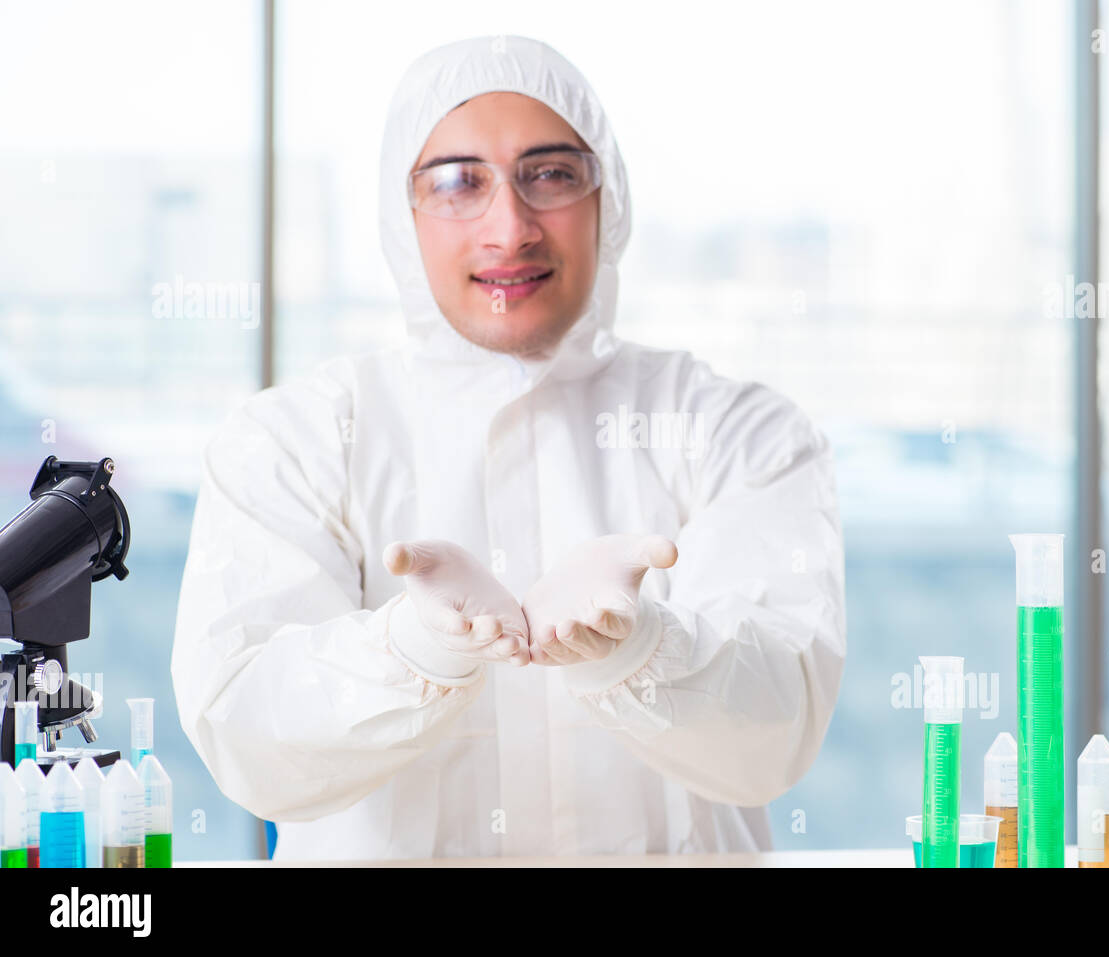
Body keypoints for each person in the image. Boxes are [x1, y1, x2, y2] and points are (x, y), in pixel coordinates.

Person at [171, 34, 846, 860]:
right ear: (402, 215)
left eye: (551, 174)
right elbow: (247, 737)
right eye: (459, 182)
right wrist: (412, 649)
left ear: (608, 198)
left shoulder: (742, 433)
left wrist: (643, 647)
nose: (510, 227)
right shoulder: (294, 441)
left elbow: (777, 733)